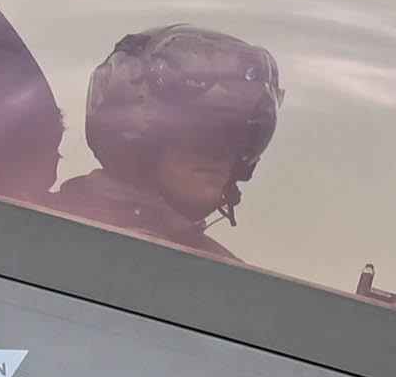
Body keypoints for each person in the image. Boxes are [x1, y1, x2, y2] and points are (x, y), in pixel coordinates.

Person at [47, 25, 287, 261]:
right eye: (201, 131)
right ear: (135, 136)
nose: (220, 153)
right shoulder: (45, 229)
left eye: (235, 133)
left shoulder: (225, 277)